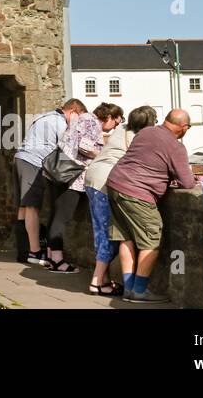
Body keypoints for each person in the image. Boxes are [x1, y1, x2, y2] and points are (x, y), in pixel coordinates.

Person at [104, 109, 196, 303]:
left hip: (115, 183)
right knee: (152, 239)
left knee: (125, 237)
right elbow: (187, 183)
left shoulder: (146, 132)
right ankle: (139, 290)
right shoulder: (176, 147)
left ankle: (128, 289)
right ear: (184, 128)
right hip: (137, 192)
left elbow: (146, 158)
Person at [83, 105, 154, 295]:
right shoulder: (137, 136)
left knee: (100, 230)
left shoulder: (121, 129)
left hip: (92, 178)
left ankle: (103, 280)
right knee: (111, 232)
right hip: (107, 181)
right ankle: (97, 281)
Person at [45, 103, 123, 274]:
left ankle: (51, 257)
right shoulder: (92, 121)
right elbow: (84, 146)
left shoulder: (83, 119)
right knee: (62, 217)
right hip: (72, 176)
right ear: (108, 117)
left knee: (56, 214)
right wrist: (103, 154)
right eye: (116, 123)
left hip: (62, 173)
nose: (114, 128)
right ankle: (57, 260)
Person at [12, 98, 87, 265]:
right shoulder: (59, 123)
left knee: (23, 207)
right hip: (33, 161)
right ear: (73, 111)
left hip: (21, 158)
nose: (78, 123)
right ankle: (34, 252)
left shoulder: (43, 117)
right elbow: (70, 146)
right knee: (32, 206)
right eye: (79, 118)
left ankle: (23, 251)